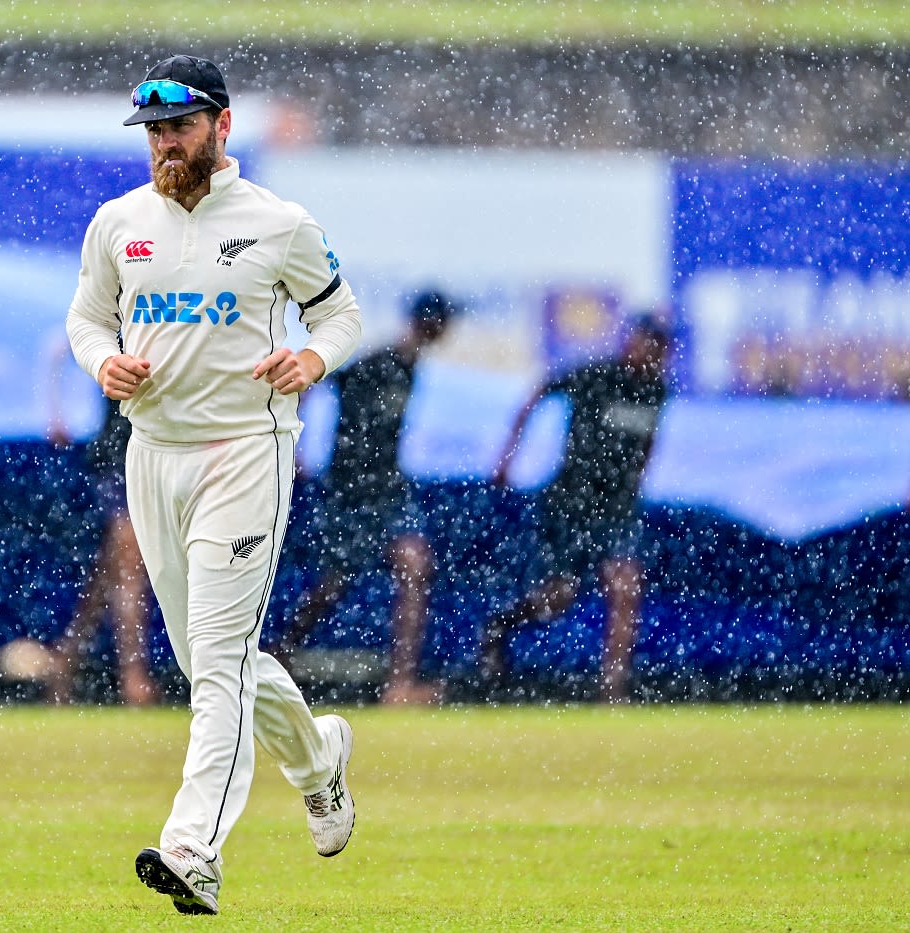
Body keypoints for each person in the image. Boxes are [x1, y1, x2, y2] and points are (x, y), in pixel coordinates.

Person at [65, 54, 363, 915]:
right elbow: (87, 316)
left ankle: (194, 846)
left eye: (180, 128)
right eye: (154, 132)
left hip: (246, 451)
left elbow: (340, 312)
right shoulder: (119, 223)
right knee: (215, 660)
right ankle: (319, 762)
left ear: (220, 128)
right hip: (153, 456)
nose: (165, 145)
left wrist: (310, 356)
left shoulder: (277, 221)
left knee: (217, 665)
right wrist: (102, 361)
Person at [270, 289, 460, 705]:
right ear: (429, 325)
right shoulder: (379, 363)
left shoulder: (409, 366)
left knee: (414, 564)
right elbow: (310, 382)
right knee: (331, 586)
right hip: (351, 489)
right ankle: (275, 660)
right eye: (440, 324)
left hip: (386, 488)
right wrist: (293, 443)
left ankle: (399, 685)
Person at [479, 314, 673, 703]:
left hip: (616, 509)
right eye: (644, 343)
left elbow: (648, 440)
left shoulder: (656, 392)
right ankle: (501, 625)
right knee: (557, 598)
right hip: (570, 506)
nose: (649, 353)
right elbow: (537, 395)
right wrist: (508, 456)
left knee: (625, 585)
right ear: (631, 342)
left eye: (658, 348)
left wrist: (637, 483)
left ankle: (612, 690)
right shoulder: (596, 376)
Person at [45, 393, 161, 706]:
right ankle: (133, 676)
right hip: (124, 452)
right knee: (129, 567)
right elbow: (63, 349)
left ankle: (66, 659)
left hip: (156, 453)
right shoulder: (117, 342)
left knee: (113, 571)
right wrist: (56, 413)